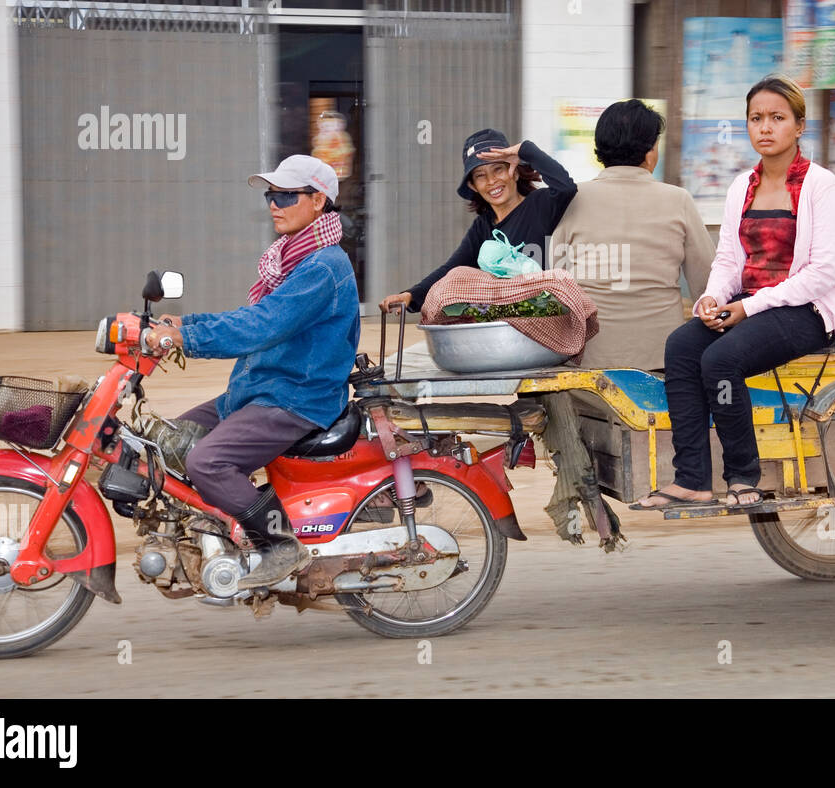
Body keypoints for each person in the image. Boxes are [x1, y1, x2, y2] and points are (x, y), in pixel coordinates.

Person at [143, 155, 360, 590]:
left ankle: (280, 543)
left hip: (296, 398)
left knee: (208, 460)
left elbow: (260, 327)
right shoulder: (289, 259)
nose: (273, 204)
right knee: (162, 440)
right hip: (257, 389)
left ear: (318, 201)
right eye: (270, 195)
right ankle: (217, 534)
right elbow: (252, 316)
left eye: (285, 195)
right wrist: (182, 325)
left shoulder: (322, 267)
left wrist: (190, 339)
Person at [637, 75, 835, 510]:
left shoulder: (822, 186)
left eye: (777, 118)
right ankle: (692, 478)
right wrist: (712, 298)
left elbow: (823, 273)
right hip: (749, 308)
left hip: (805, 312)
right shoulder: (741, 187)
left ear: (799, 126)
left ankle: (742, 475)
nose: (766, 127)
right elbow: (729, 260)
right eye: (756, 118)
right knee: (681, 347)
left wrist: (749, 307)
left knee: (720, 360)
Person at [551, 100, 715, 370]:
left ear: (600, 150)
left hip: (588, 363)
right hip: (663, 359)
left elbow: (556, 280)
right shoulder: (678, 200)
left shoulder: (572, 199)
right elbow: (708, 286)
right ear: (650, 152)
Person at [379, 129, 576, 313]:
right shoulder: (483, 226)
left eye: (498, 169)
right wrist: (411, 295)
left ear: (514, 171)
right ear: (473, 186)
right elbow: (452, 269)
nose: (491, 182)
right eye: (480, 176)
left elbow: (566, 187)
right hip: (502, 324)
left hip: (543, 314)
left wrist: (525, 150)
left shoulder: (539, 204)